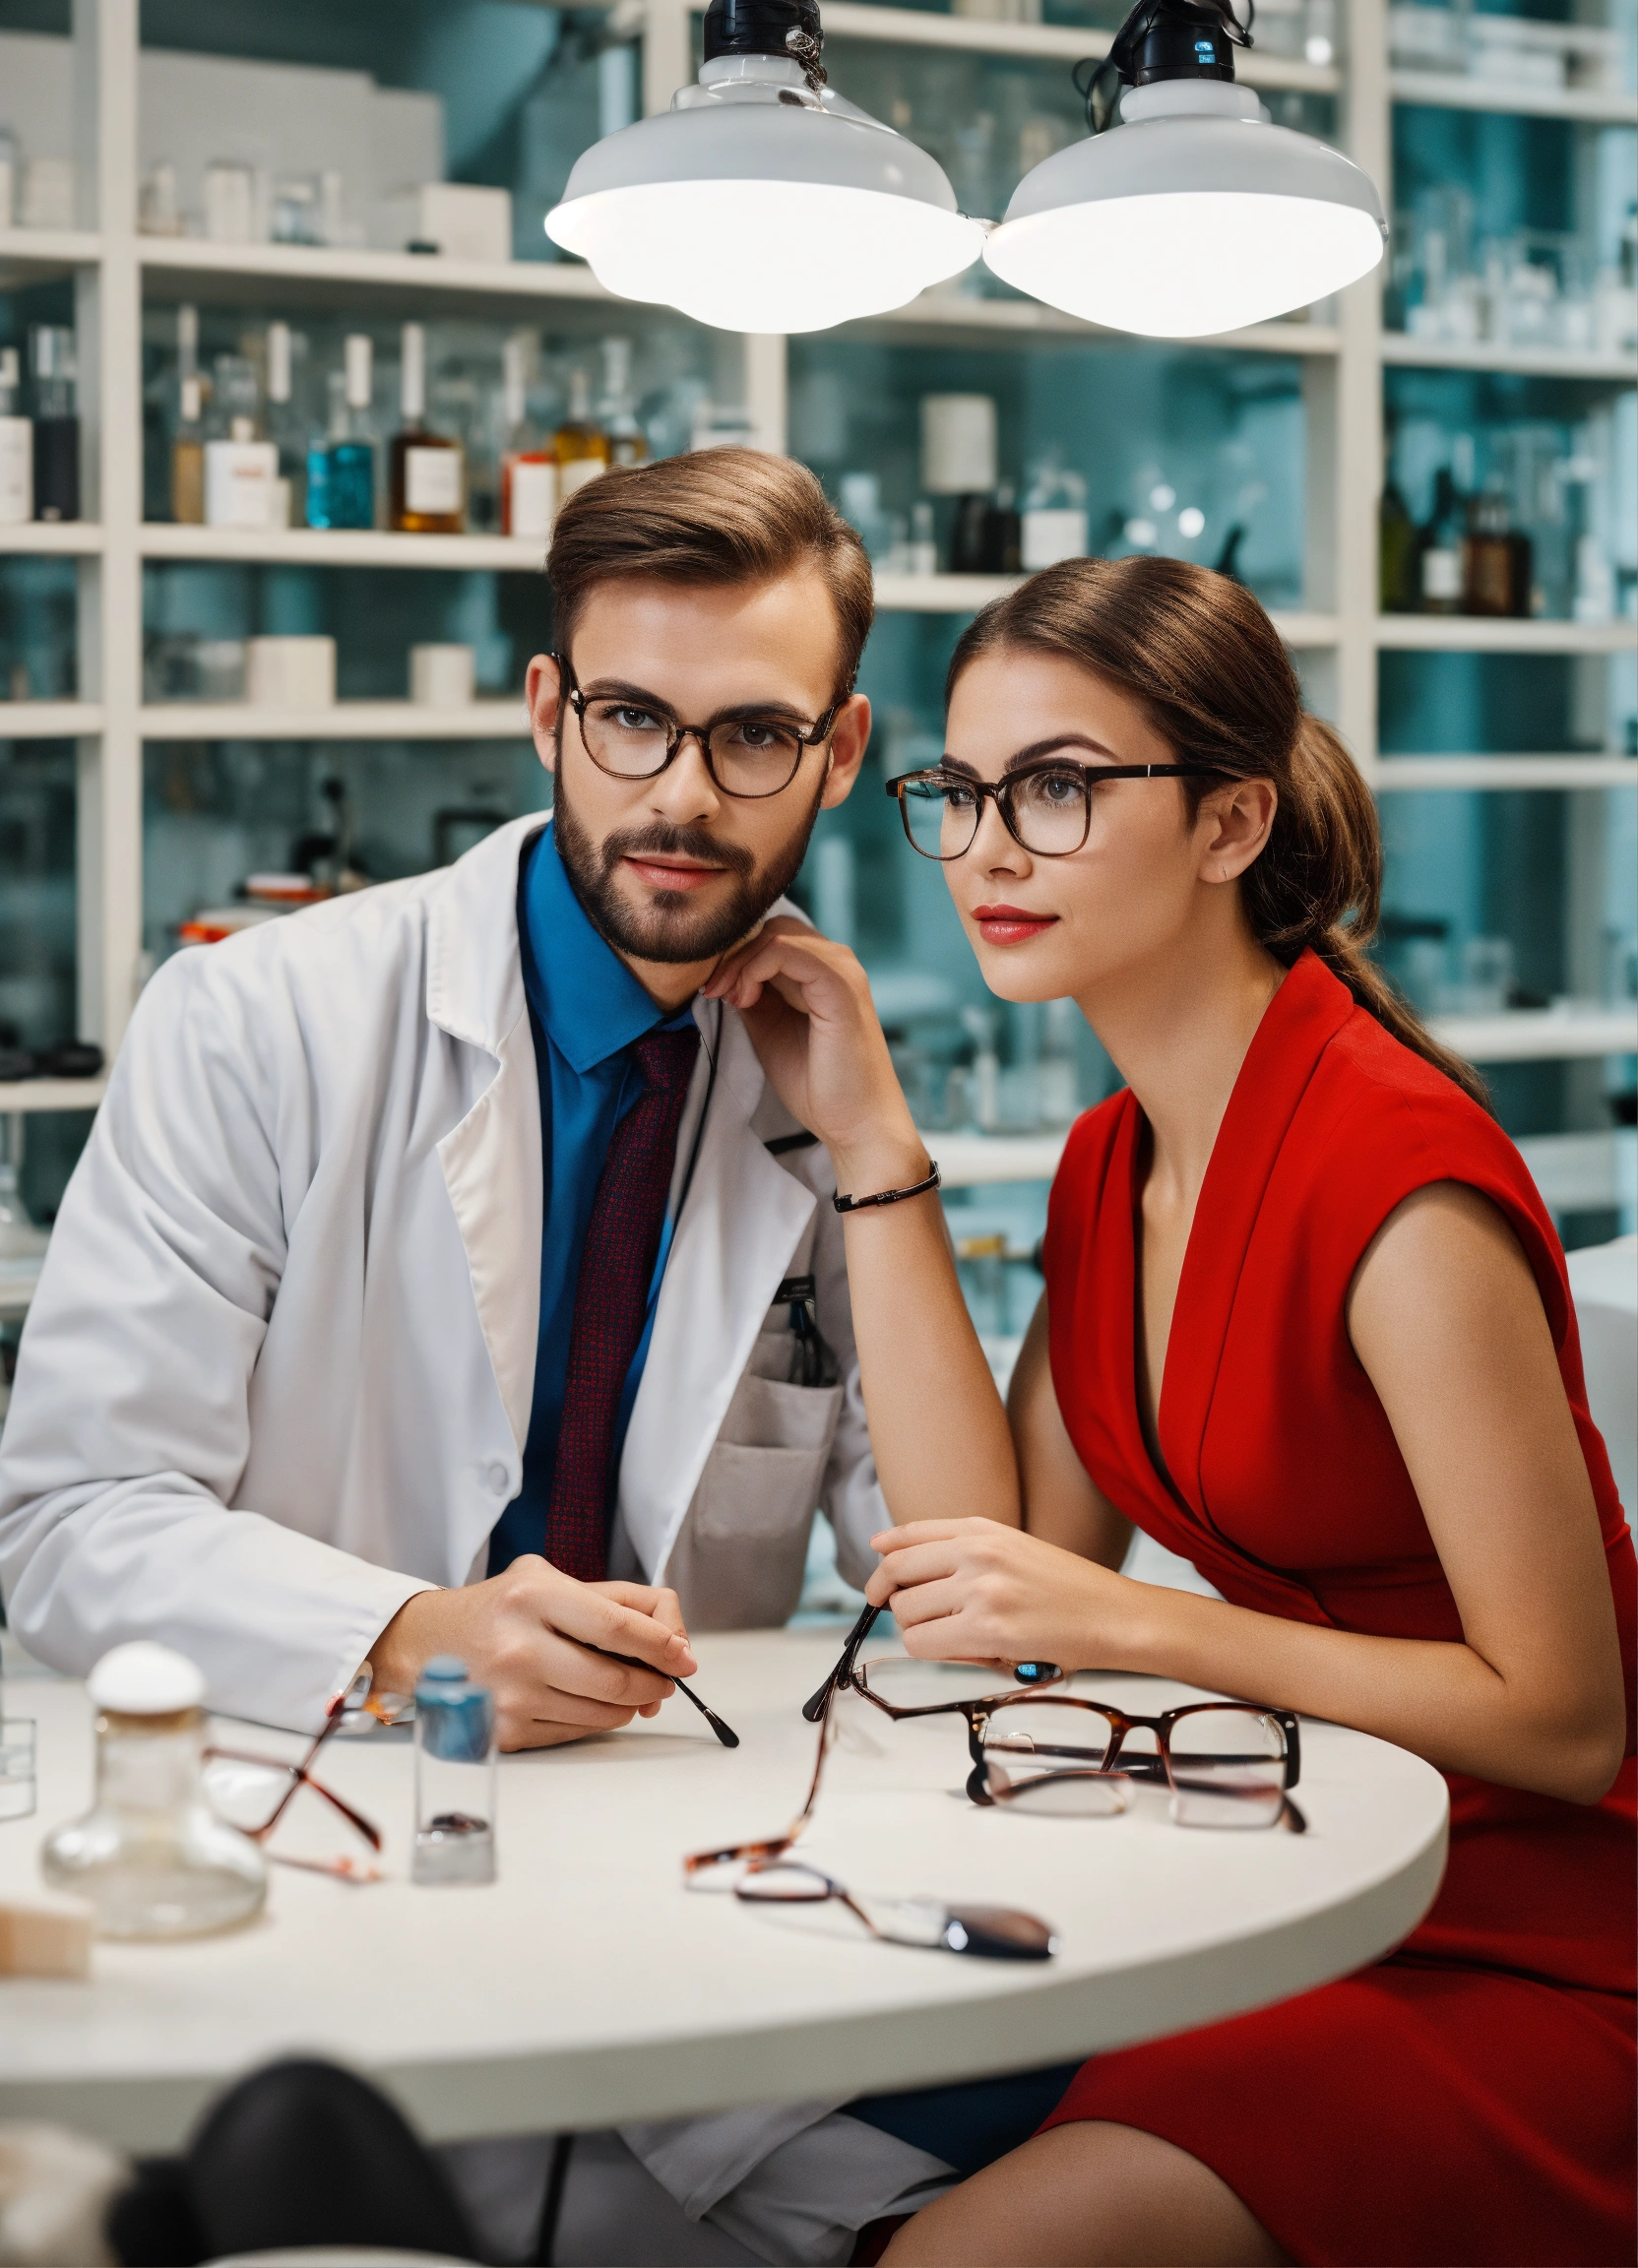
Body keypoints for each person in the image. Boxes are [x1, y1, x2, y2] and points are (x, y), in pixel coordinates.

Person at [0, 448, 1014, 2268]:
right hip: (313, 1842)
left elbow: (966, 1589)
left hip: (682, 1901)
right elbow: (68, 1516)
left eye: (754, 739)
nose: (683, 798)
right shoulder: (261, 1024)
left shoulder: (819, 1087)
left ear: (844, 753)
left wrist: (879, 1154)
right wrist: (406, 1640)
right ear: (548, 709)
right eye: (632, 718)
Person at [705, 553, 1637, 2267]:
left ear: (1229, 825)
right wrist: (876, 1155)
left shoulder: (1403, 1185)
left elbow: (1569, 1720)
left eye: (1057, 789)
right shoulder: (1113, 1157)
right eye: (963, 790)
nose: (986, 847)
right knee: (753, 2139)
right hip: (1290, 1859)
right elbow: (1006, 1573)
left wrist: (1145, 1629)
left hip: (1529, 1938)